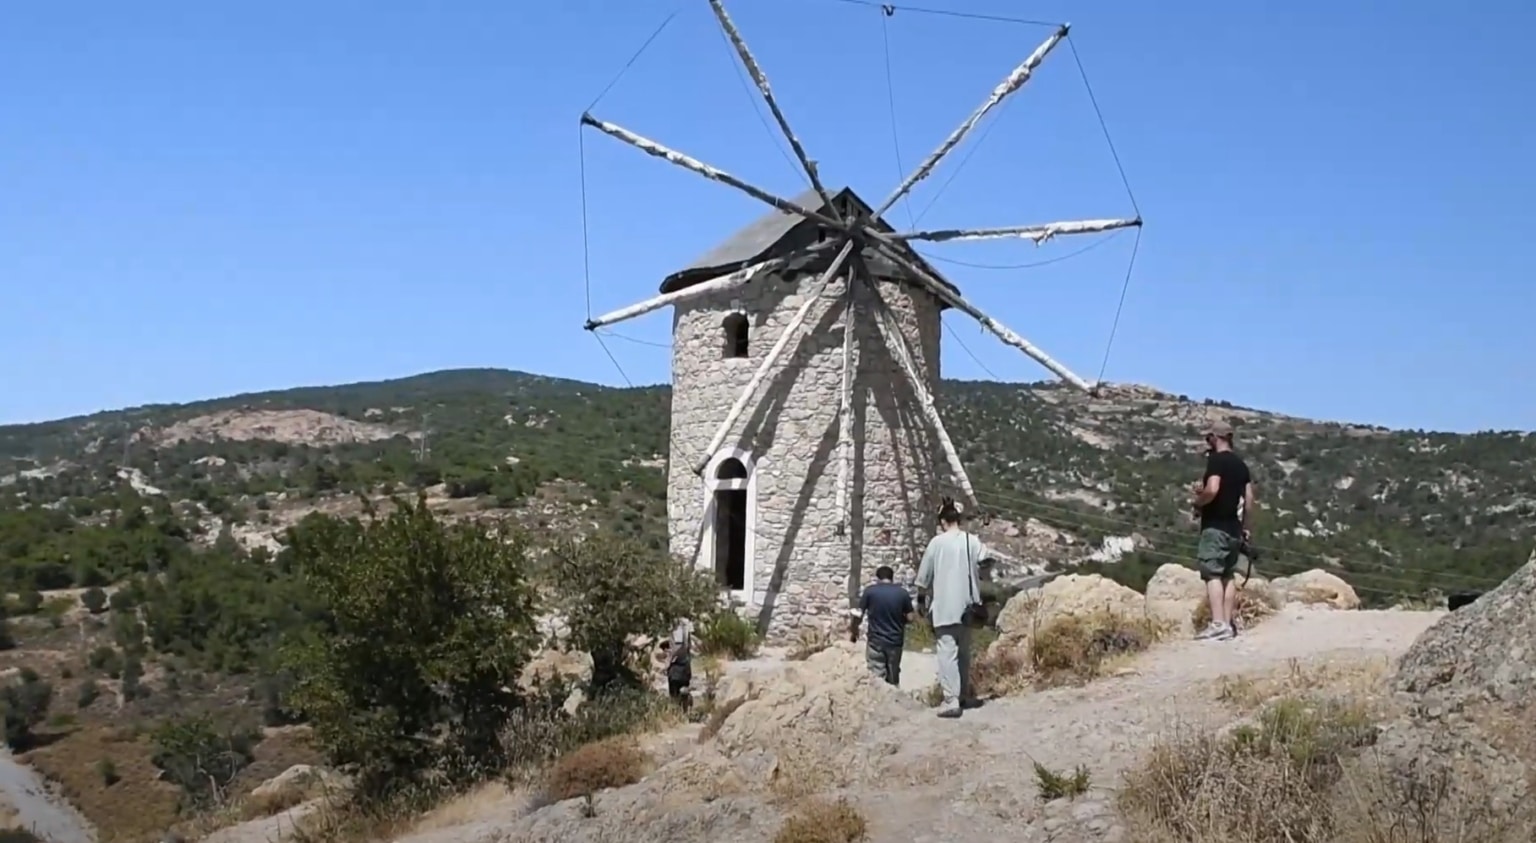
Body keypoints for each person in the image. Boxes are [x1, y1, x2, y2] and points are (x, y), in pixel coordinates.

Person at [915, 497, 985, 718]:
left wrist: (921, 600)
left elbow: (924, 576)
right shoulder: (971, 541)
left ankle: (951, 700)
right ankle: (963, 695)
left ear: (943, 521)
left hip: (945, 607)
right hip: (968, 608)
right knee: (964, 654)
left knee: (947, 655)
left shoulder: (936, 543)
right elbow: (986, 560)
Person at [1189, 420, 1255, 642]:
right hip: (1234, 528)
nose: (1207, 441)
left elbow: (1213, 489)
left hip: (1215, 525)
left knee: (1212, 573)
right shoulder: (1241, 465)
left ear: (1215, 438)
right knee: (1228, 575)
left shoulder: (1216, 460)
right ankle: (1227, 624)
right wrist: (1246, 527)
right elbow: (1249, 500)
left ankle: (1217, 624)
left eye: (1208, 438)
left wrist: (1198, 502)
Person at [854, 565, 916, 686]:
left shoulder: (870, 592)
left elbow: (859, 614)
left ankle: (878, 696)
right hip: (895, 641)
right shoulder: (902, 593)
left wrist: (854, 631)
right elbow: (911, 617)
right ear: (892, 577)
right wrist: (901, 621)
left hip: (875, 641)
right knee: (893, 675)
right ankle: (894, 695)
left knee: (876, 676)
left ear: (877, 578)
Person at [662, 620, 692, 711]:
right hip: (684, 664)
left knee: (675, 693)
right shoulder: (685, 627)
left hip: (678, 666)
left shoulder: (678, 628)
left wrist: (668, 662)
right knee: (682, 690)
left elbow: (678, 647)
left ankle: (679, 712)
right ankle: (684, 711)